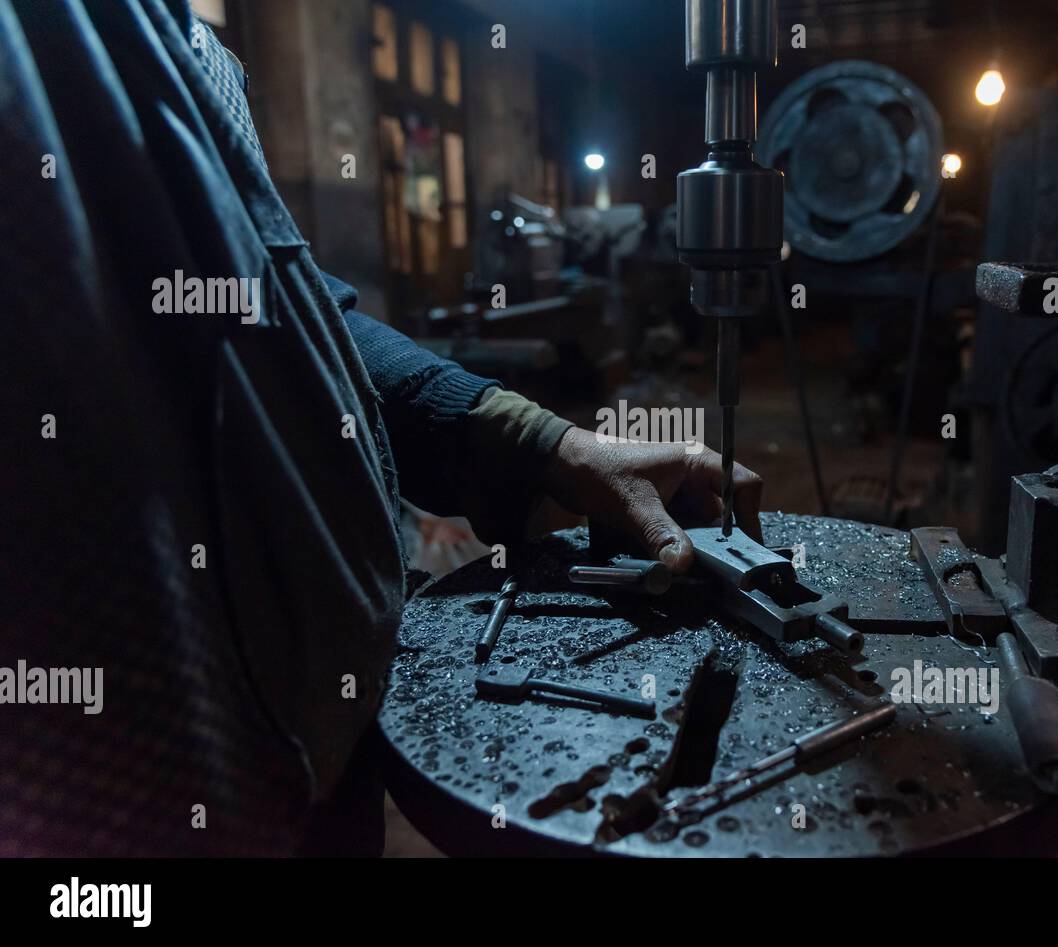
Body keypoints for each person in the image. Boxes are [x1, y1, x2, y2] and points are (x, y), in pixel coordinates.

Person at [0, 0, 760, 855]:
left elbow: (291, 313)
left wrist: (552, 445)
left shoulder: (160, 36)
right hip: (121, 801)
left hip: (317, 743)